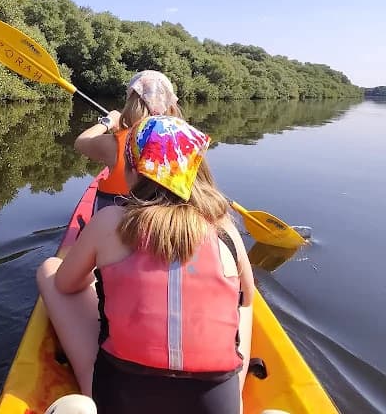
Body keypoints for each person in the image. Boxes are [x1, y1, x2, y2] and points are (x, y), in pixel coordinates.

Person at [38, 116, 255, 414]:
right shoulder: (225, 229)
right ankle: (235, 399)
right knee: (244, 303)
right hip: (214, 404)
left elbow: (65, 284)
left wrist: (103, 280)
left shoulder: (109, 221)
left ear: (131, 169)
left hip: (121, 400)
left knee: (50, 269)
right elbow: (246, 300)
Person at [74, 70, 183, 211]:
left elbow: (81, 142)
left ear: (131, 102)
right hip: (161, 223)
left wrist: (109, 121)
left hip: (115, 223)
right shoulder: (182, 143)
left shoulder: (116, 143)